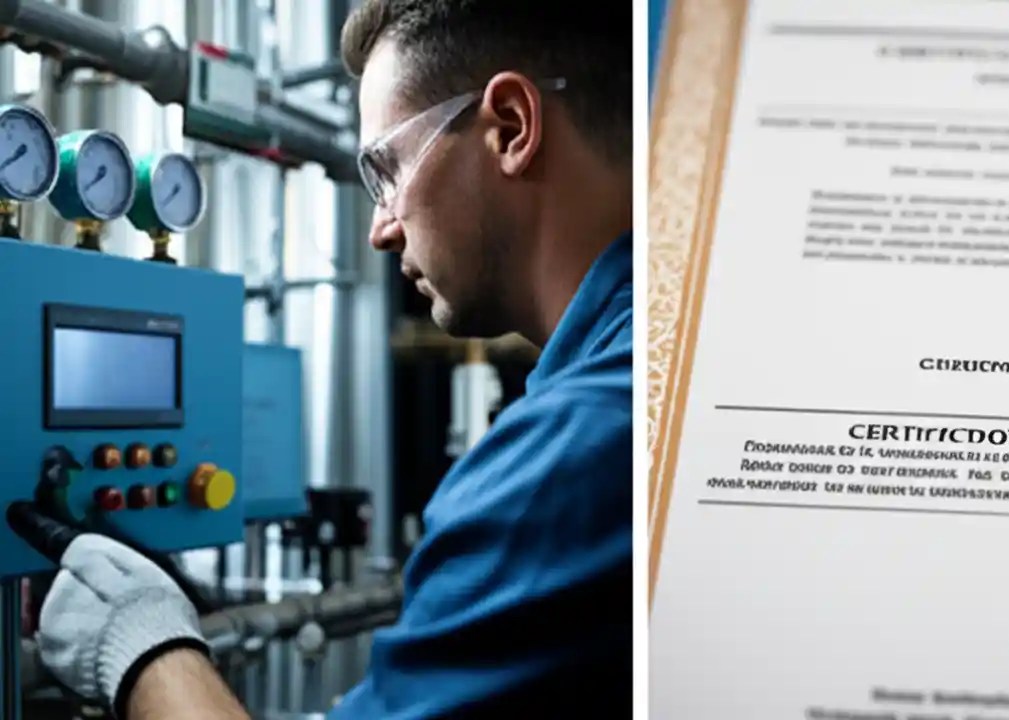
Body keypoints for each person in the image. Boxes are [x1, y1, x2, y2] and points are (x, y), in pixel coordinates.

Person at [31, 1, 633, 718]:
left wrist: (141, 647)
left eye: (386, 169)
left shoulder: (573, 454)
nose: (380, 228)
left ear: (509, 127)